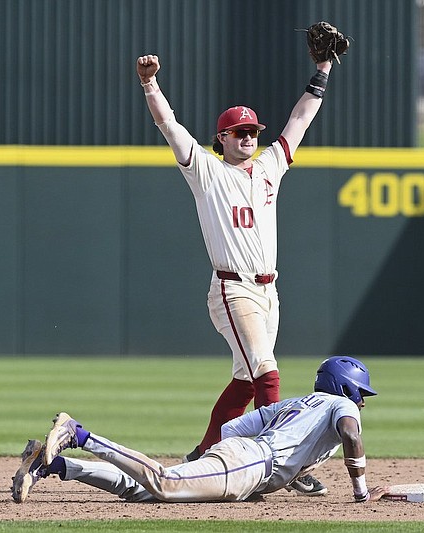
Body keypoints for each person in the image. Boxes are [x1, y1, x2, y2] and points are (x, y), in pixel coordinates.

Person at [133, 32, 337, 495]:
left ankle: (204, 454)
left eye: (252, 131)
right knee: (267, 372)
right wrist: (150, 85)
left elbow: (301, 118)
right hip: (233, 288)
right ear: (221, 138)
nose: (248, 137)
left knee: (247, 379)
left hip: (268, 291)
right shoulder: (206, 172)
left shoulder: (269, 167)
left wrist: (322, 71)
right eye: (239, 132)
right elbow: (169, 125)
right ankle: (284, 463)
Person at [11, 356, 389, 504]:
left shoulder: (294, 404)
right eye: (361, 393)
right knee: (165, 481)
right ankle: (80, 435)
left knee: (144, 493)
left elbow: (232, 427)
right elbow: (352, 435)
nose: (363, 401)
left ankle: (54, 467)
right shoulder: (338, 404)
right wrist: (361, 491)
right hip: (254, 463)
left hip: (247, 461)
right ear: (345, 387)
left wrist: (236, 463)